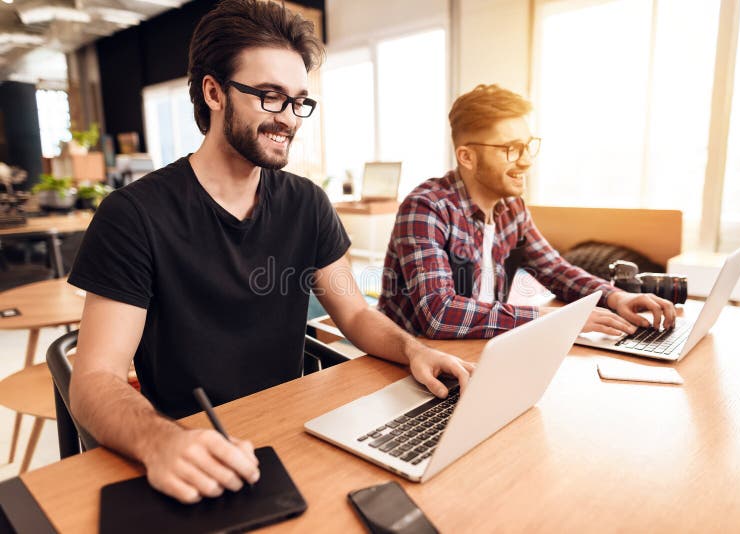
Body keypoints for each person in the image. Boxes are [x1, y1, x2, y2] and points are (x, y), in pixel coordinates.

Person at [67, 0, 473, 505]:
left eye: (299, 101)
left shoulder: (308, 204)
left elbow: (352, 312)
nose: (289, 120)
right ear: (214, 92)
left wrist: (414, 349)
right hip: (195, 446)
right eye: (270, 97)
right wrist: (160, 440)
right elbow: (94, 380)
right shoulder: (133, 215)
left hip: (293, 429)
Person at [378, 84, 676, 339]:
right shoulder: (427, 208)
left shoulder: (512, 208)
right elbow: (439, 314)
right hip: (408, 361)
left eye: (528, 146)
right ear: (467, 157)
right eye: (511, 149)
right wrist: (551, 320)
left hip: (476, 350)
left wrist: (616, 296)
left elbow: (555, 270)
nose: (526, 162)